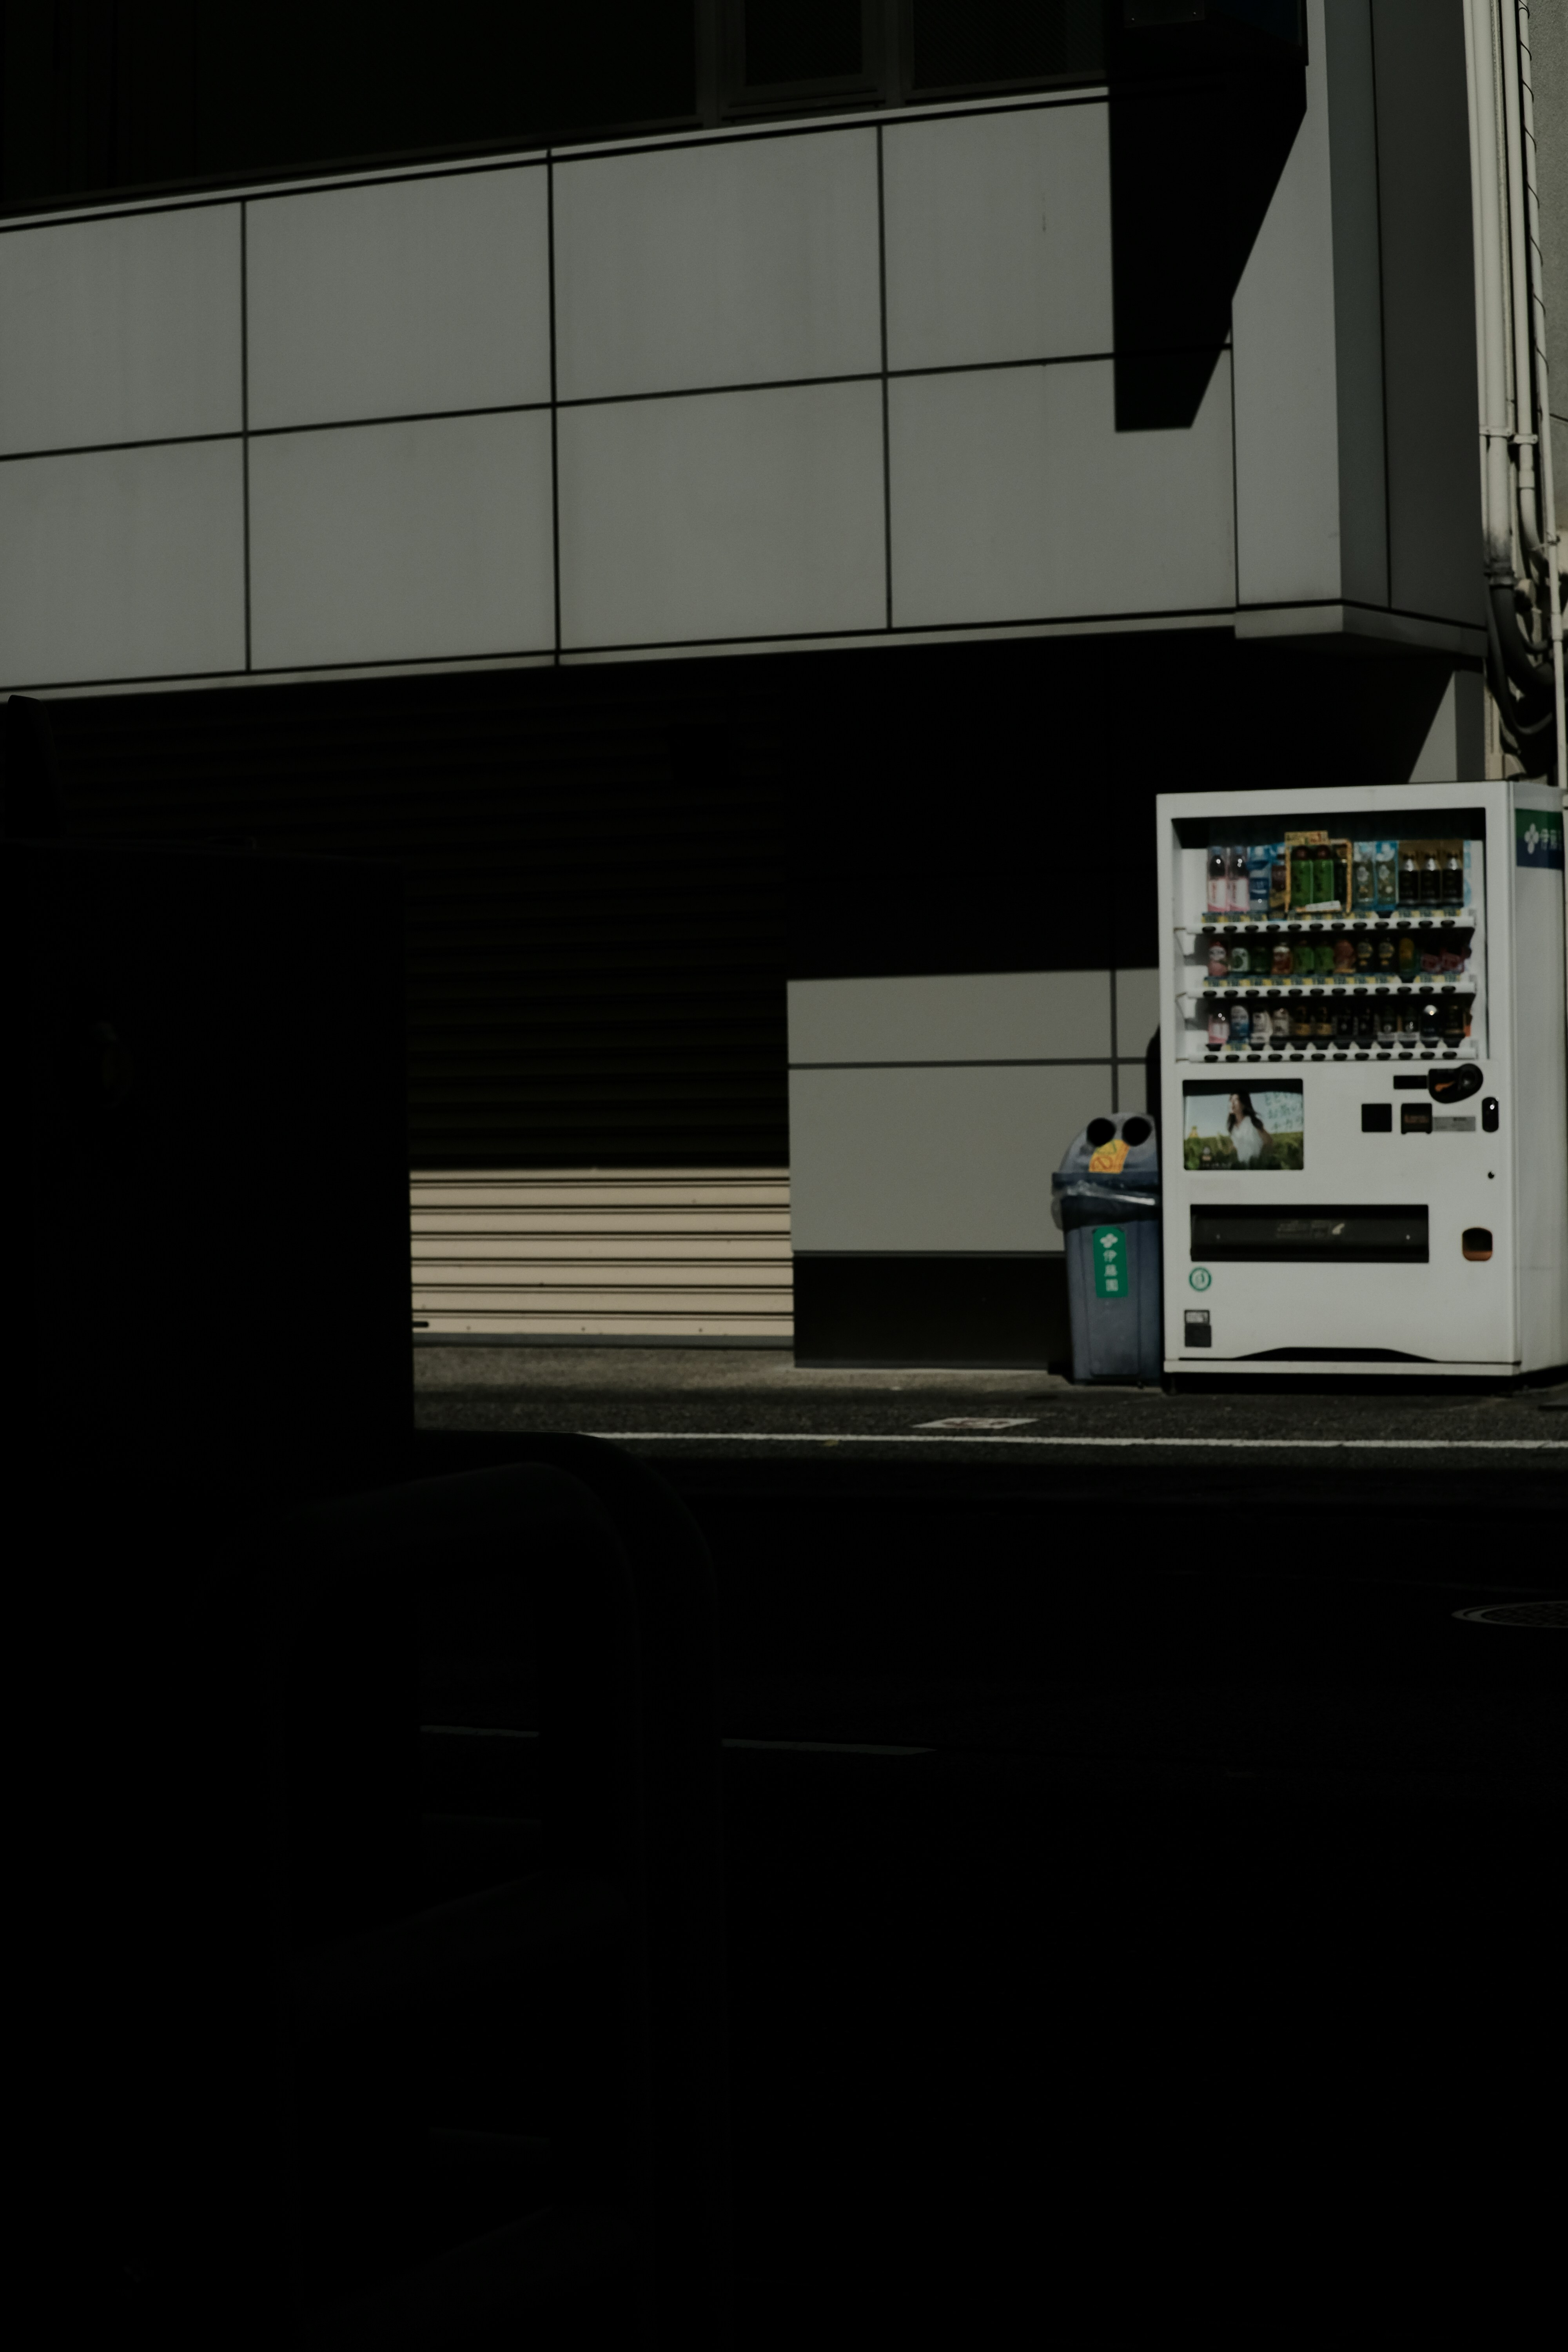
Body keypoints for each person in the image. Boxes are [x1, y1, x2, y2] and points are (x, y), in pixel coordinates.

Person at [1227, 1090, 1271, 1165]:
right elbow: (1239, 1146)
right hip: (1243, 1168)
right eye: (1231, 1100)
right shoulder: (1233, 1128)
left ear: (1244, 1104)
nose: (1232, 1103)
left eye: (1236, 1100)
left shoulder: (1252, 1122)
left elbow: (1269, 1142)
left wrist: (1261, 1162)